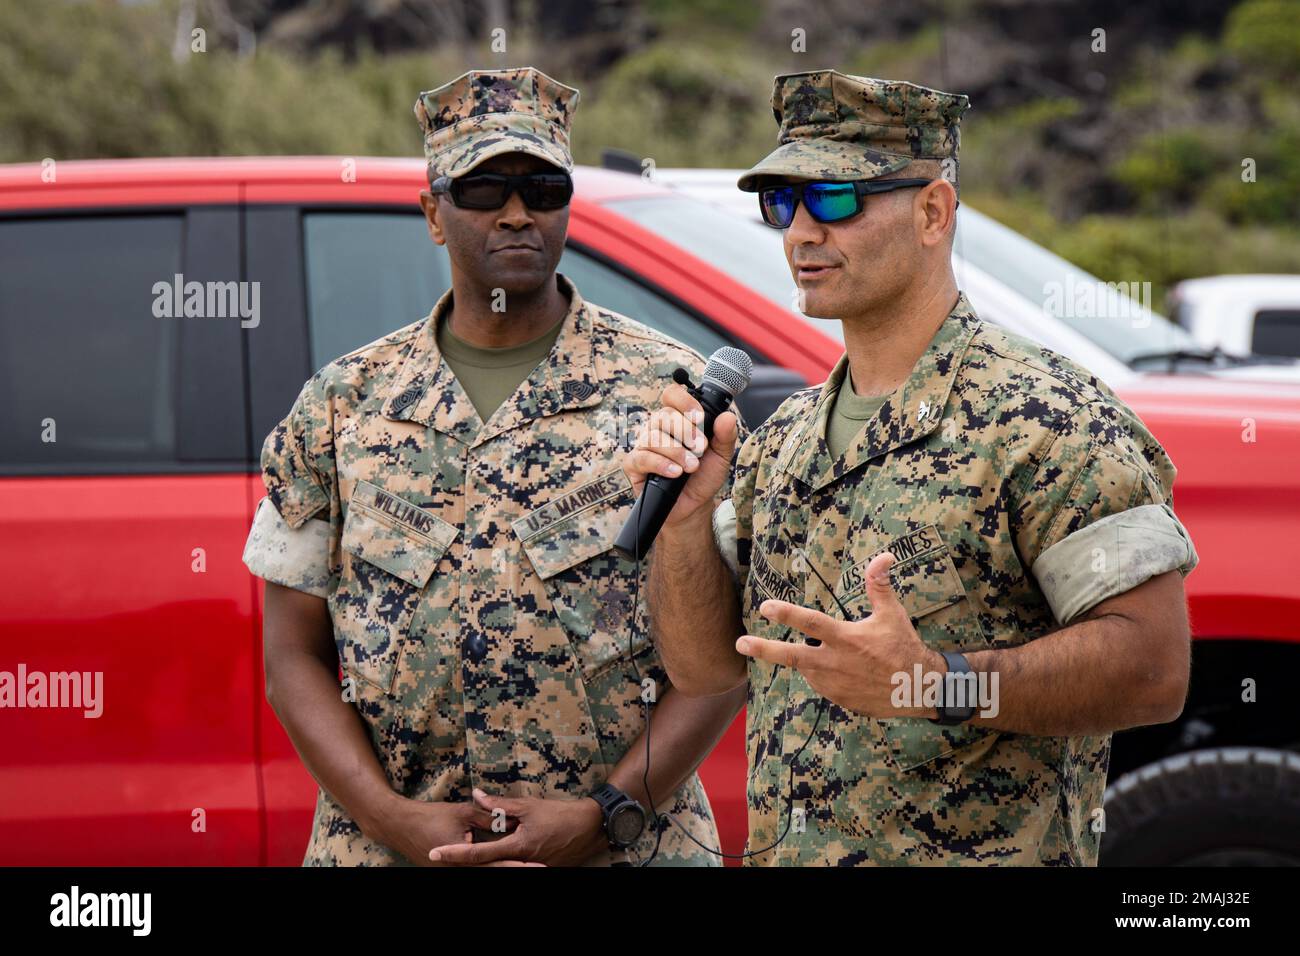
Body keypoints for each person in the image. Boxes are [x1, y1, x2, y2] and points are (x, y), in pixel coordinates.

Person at [625, 70, 1198, 866]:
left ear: (933, 211)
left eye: (835, 198)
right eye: (781, 203)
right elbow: (707, 665)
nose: (800, 233)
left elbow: (1152, 671)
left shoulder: (1046, 418)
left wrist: (935, 684)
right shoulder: (785, 437)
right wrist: (685, 523)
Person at [243, 67, 744, 867]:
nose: (517, 213)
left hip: (622, 848)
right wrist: (389, 818)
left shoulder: (669, 397)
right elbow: (290, 655)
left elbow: (723, 655)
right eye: (483, 190)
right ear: (434, 215)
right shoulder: (343, 405)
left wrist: (604, 813)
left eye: (544, 188)